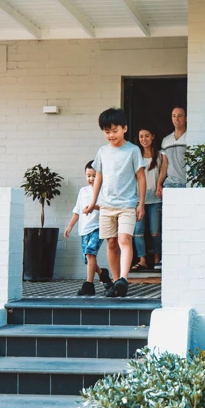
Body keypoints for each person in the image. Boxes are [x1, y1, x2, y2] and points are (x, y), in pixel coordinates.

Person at [84, 108, 146, 298]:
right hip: (106, 206)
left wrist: (141, 204)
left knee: (124, 240)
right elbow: (99, 178)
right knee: (111, 243)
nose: (111, 135)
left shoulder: (133, 150)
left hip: (127, 204)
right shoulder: (102, 152)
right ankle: (116, 280)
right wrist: (93, 202)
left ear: (124, 128)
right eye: (107, 131)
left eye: (114, 130)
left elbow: (141, 178)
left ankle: (124, 280)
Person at [63, 161, 113, 296]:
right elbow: (77, 210)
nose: (91, 179)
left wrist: (93, 207)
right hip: (84, 229)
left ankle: (89, 285)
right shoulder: (83, 191)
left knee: (90, 253)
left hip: (98, 227)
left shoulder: (104, 190)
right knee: (88, 259)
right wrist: (70, 226)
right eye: (88, 176)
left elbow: (107, 207)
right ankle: (103, 274)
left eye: (94, 176)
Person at [156, 107, 187, 271]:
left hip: (185, 185)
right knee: (167, 223)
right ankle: (165, 258)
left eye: (180, 116)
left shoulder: (191, 137)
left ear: (186, 118)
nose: (177, 119)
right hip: (170, 185)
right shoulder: (166, 140)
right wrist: (159, 184)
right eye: (174, 116)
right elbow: (164, 164)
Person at [132, 127, 166, 271]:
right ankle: (142, 259)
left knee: (155, 231)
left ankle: (157, 259)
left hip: (155, 199)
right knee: (138, 231)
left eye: (147, 136)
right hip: (139, 199)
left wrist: (159, 184)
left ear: (152, 137)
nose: (144, 139)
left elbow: (163, 170)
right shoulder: (135, 155)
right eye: (141, 137)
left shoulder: (160, 155)